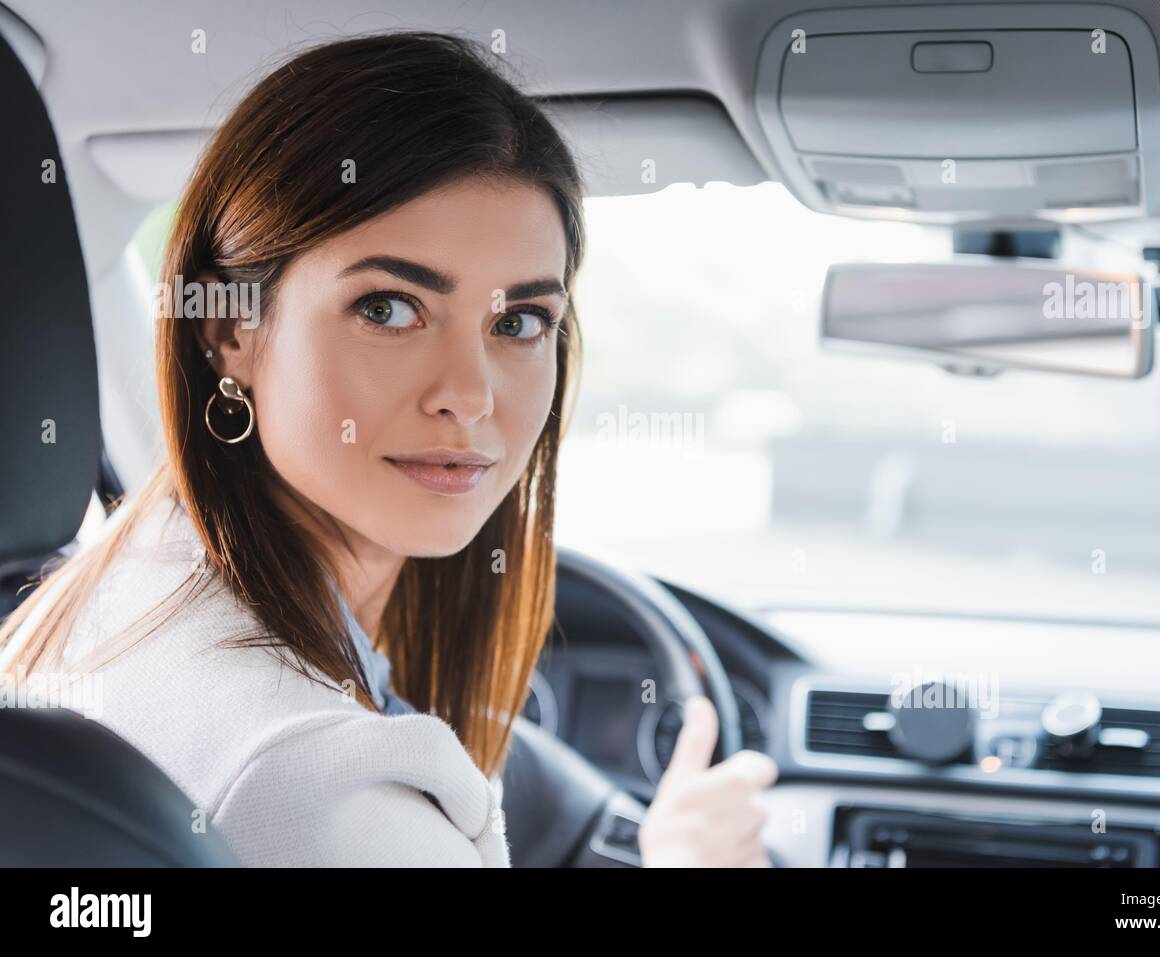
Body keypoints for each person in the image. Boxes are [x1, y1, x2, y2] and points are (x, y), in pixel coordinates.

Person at [0, 30, 778, 867]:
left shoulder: (123, 583)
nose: (470, 394)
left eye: (518, 322)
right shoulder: (332, 793)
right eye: (389, 309)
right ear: (230, 329)